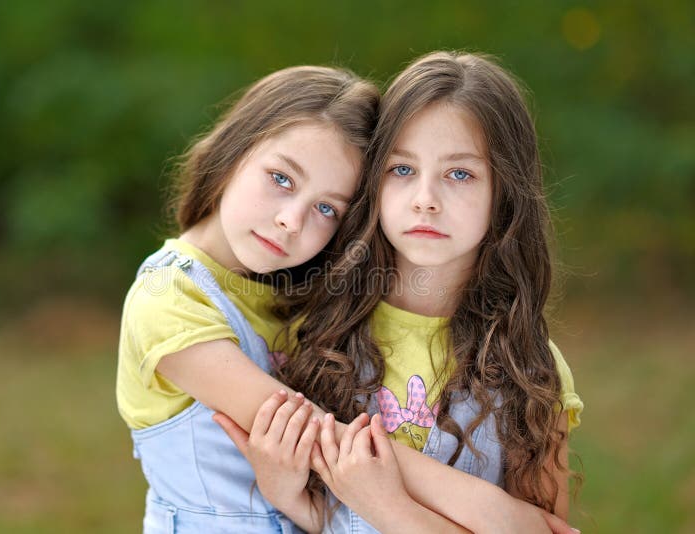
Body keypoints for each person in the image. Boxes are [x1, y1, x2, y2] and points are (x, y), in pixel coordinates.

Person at [215, 51, 583, 533]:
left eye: (460, 174)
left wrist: (389, 506)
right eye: (402, 170)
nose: (425, 198)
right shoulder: (311, 329)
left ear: (504, 194)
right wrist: (284, 491)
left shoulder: (530, 367)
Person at [115, 65, 379, 533]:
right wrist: (483, 508)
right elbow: (321, 442)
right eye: (281, 178)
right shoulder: (169, 298)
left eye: (326, 209)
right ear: (233, 152)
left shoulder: (298, 296)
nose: (292, 221)